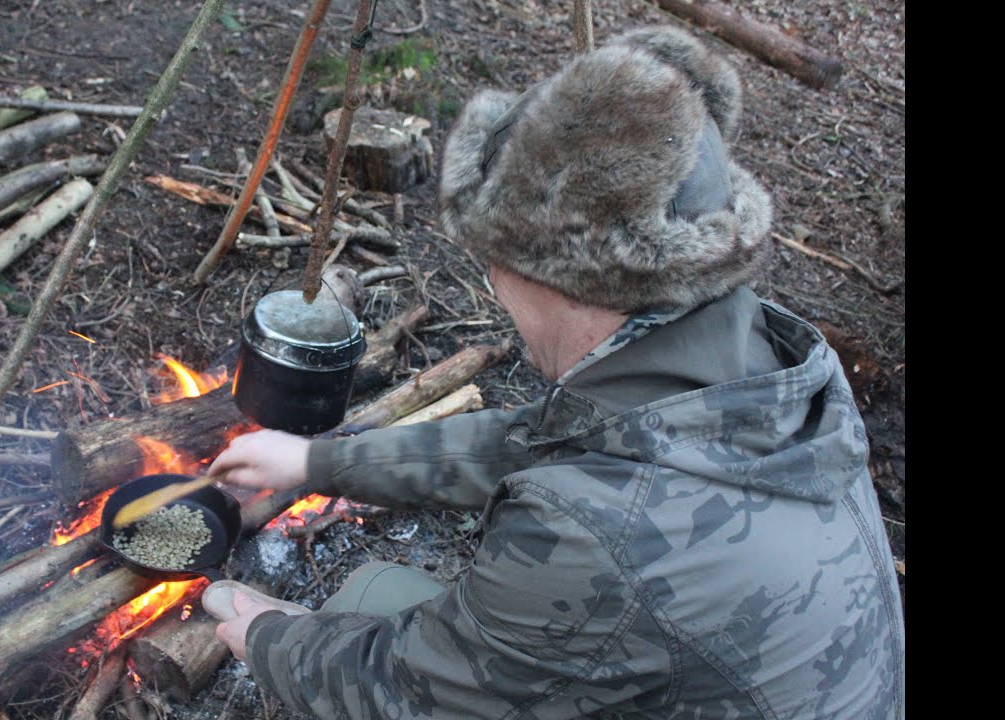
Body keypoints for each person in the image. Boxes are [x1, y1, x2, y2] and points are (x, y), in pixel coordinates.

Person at [200, 25, 905, 720]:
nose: (494, 288)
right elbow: (532, 440)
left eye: (494, 265)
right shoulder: (756, 359)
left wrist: (264, 634)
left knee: (358, 608)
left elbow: (402, 694)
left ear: (566, 280)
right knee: (379, 596)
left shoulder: (591, 534)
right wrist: (315, 462)